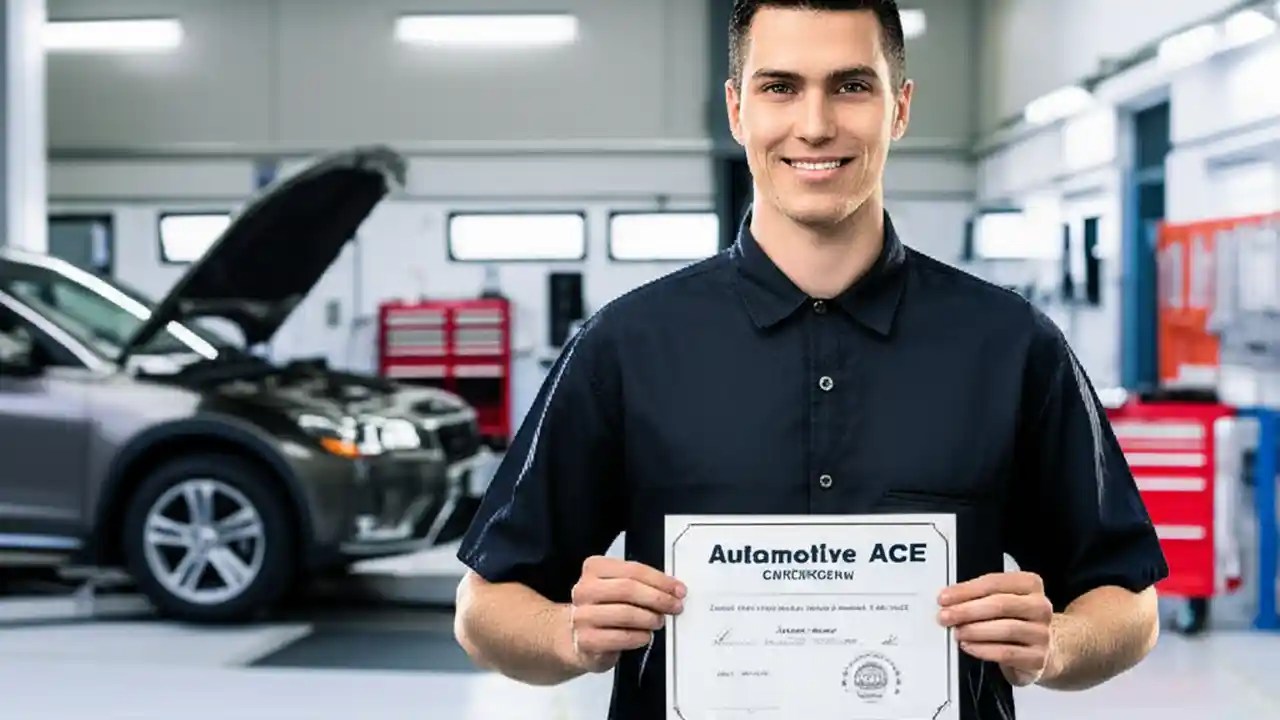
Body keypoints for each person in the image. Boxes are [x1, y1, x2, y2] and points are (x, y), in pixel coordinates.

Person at [452, 1, 1169, 717]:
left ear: (900, 108)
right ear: (737, 110)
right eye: (780, 87)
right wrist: (568, 633)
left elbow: (1128, 604)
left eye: (852, 86)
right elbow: (485, 607)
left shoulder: (1011, 345)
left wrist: (1059, 643)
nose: (816, 124)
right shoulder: (626, 345)